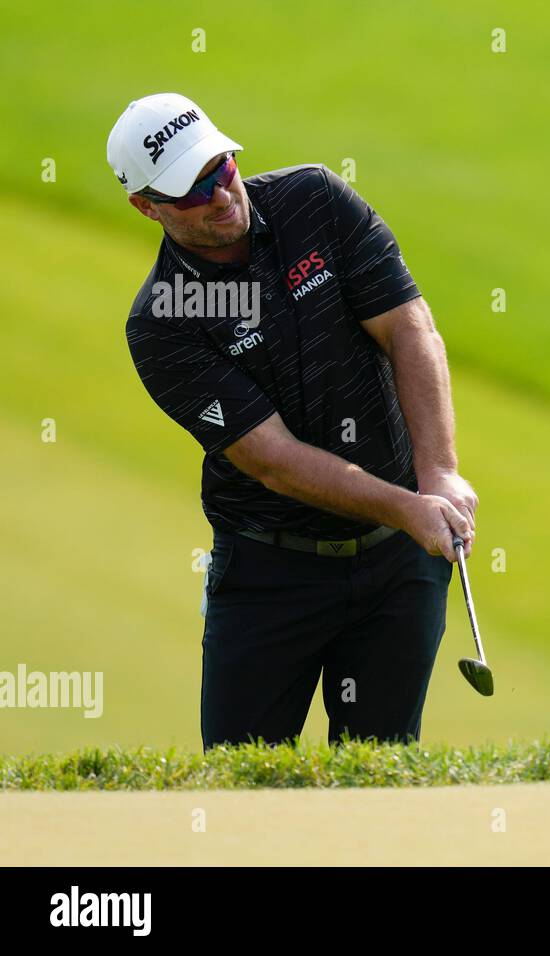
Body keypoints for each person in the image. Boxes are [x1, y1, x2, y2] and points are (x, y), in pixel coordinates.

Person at [108, 92, 478, 750]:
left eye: (220, 168)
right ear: (146, 206)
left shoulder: (315, 200)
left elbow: (409, 329)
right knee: (240, 784)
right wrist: (406, 507)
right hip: (268, 575)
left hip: (398, 566)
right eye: (190, 191)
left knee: (379, 778)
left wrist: (439, 473)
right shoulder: (163, 320)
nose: (220, 195)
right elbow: (272, 459)